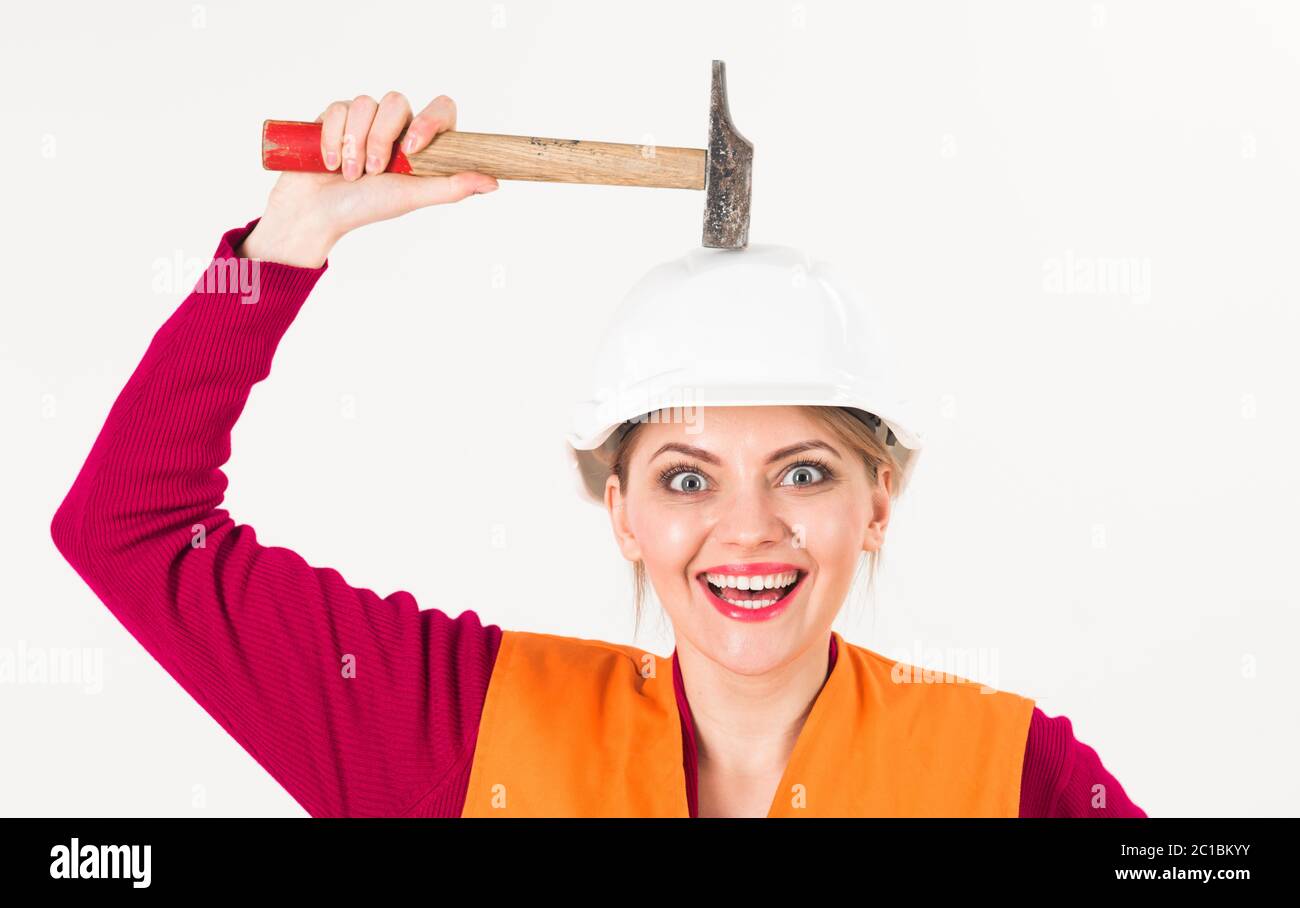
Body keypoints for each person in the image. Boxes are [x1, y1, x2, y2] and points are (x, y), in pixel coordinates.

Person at [50, 91, 1146, 818]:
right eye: (686, 476)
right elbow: (127, 530)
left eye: (804, 471)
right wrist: (281, 247)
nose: (749, 527)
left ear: (878, 502)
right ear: (620, 508)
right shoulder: (462, 732)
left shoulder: (1007, 774)